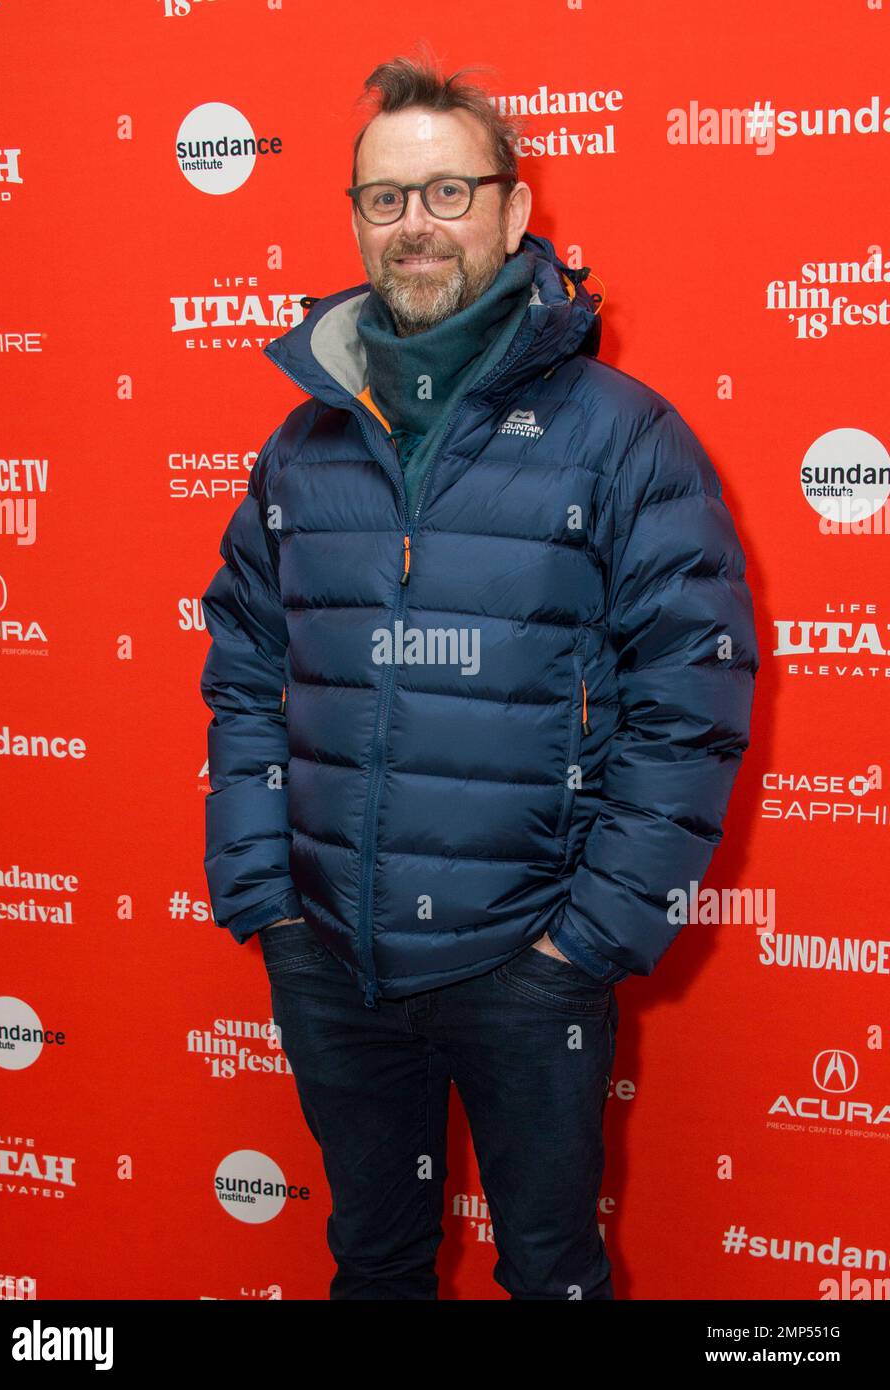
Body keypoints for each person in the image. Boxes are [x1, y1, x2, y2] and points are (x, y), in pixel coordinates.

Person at [199, 51, 759, 1300]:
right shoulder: (305, 442)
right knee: (374, 1260)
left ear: (514, 214)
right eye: (387, 199)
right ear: (354, 220)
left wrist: (589, 939)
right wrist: (265, 892)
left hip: (529, 961)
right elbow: (243, 663)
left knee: (552, 1270)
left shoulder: (622, 434)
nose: (417, 227)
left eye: (450, 192)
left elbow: (694, 690)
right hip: (331, 955)